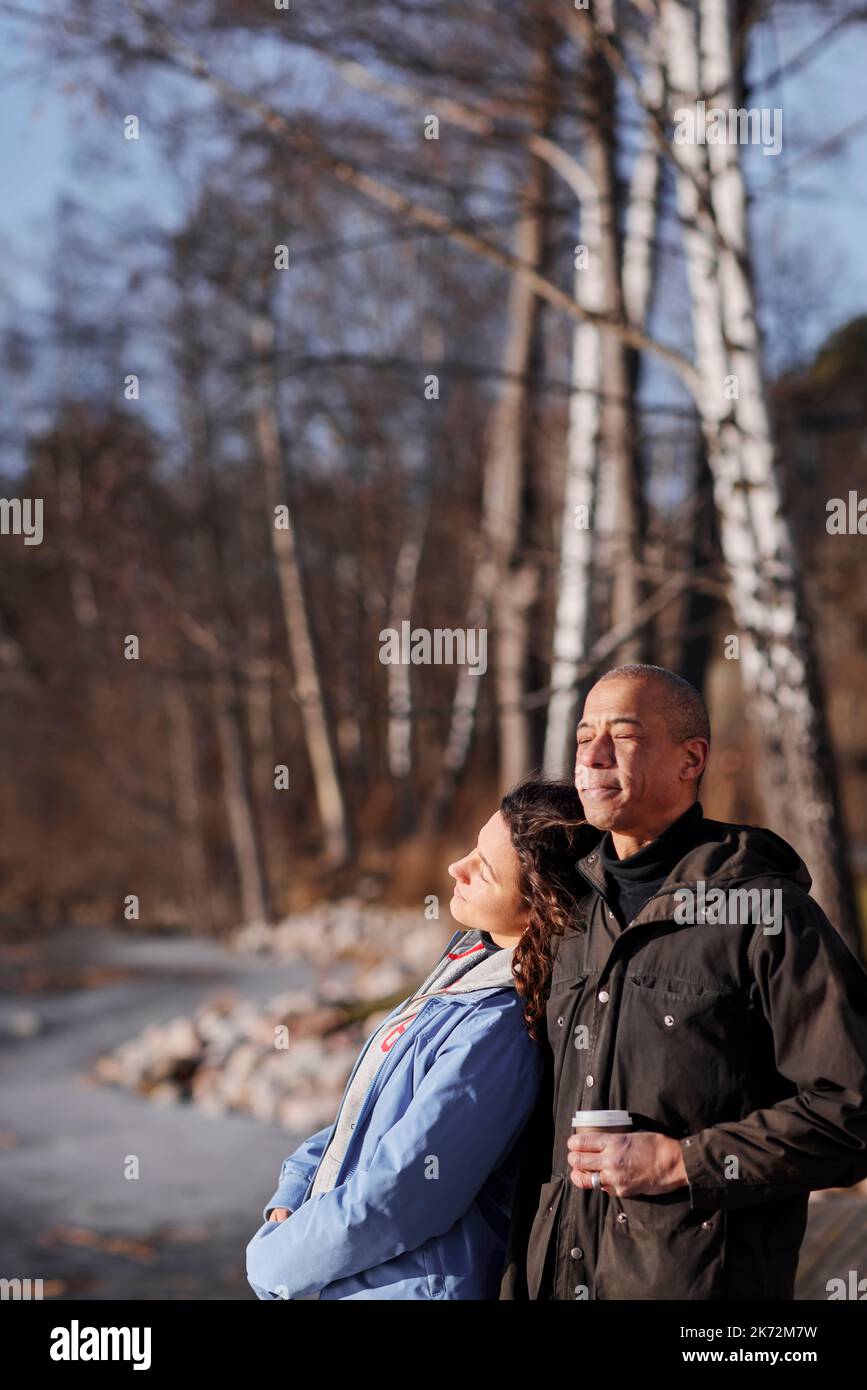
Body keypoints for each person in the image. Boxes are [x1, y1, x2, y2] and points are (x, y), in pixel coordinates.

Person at [500, 663, 867, 1301]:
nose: (593, 754)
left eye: (625, 735)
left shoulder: (765, 914)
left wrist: (682, 1162)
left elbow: (853, 1110)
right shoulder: (568, 913)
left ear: (690, 758)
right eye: (584, 735)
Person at [246, 777, 595, 1300]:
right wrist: (294, 1187)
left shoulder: (496, 1028)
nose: (459, 867)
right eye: (474, 848)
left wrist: (276, 1259)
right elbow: (363, 1116)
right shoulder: (463, 974)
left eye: (485, 868)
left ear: (539, 905)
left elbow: (406, 1193)